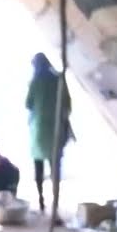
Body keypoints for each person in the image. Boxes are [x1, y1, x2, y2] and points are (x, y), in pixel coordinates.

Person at [25, 52, 73, 213]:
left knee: (38, 167)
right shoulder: (58, 80)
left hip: (38, 131)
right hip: (56, 130)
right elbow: (67, 104)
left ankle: (41, 201)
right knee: (55, 169)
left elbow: (28, 103)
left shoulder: (35, 82)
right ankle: (55, 202)